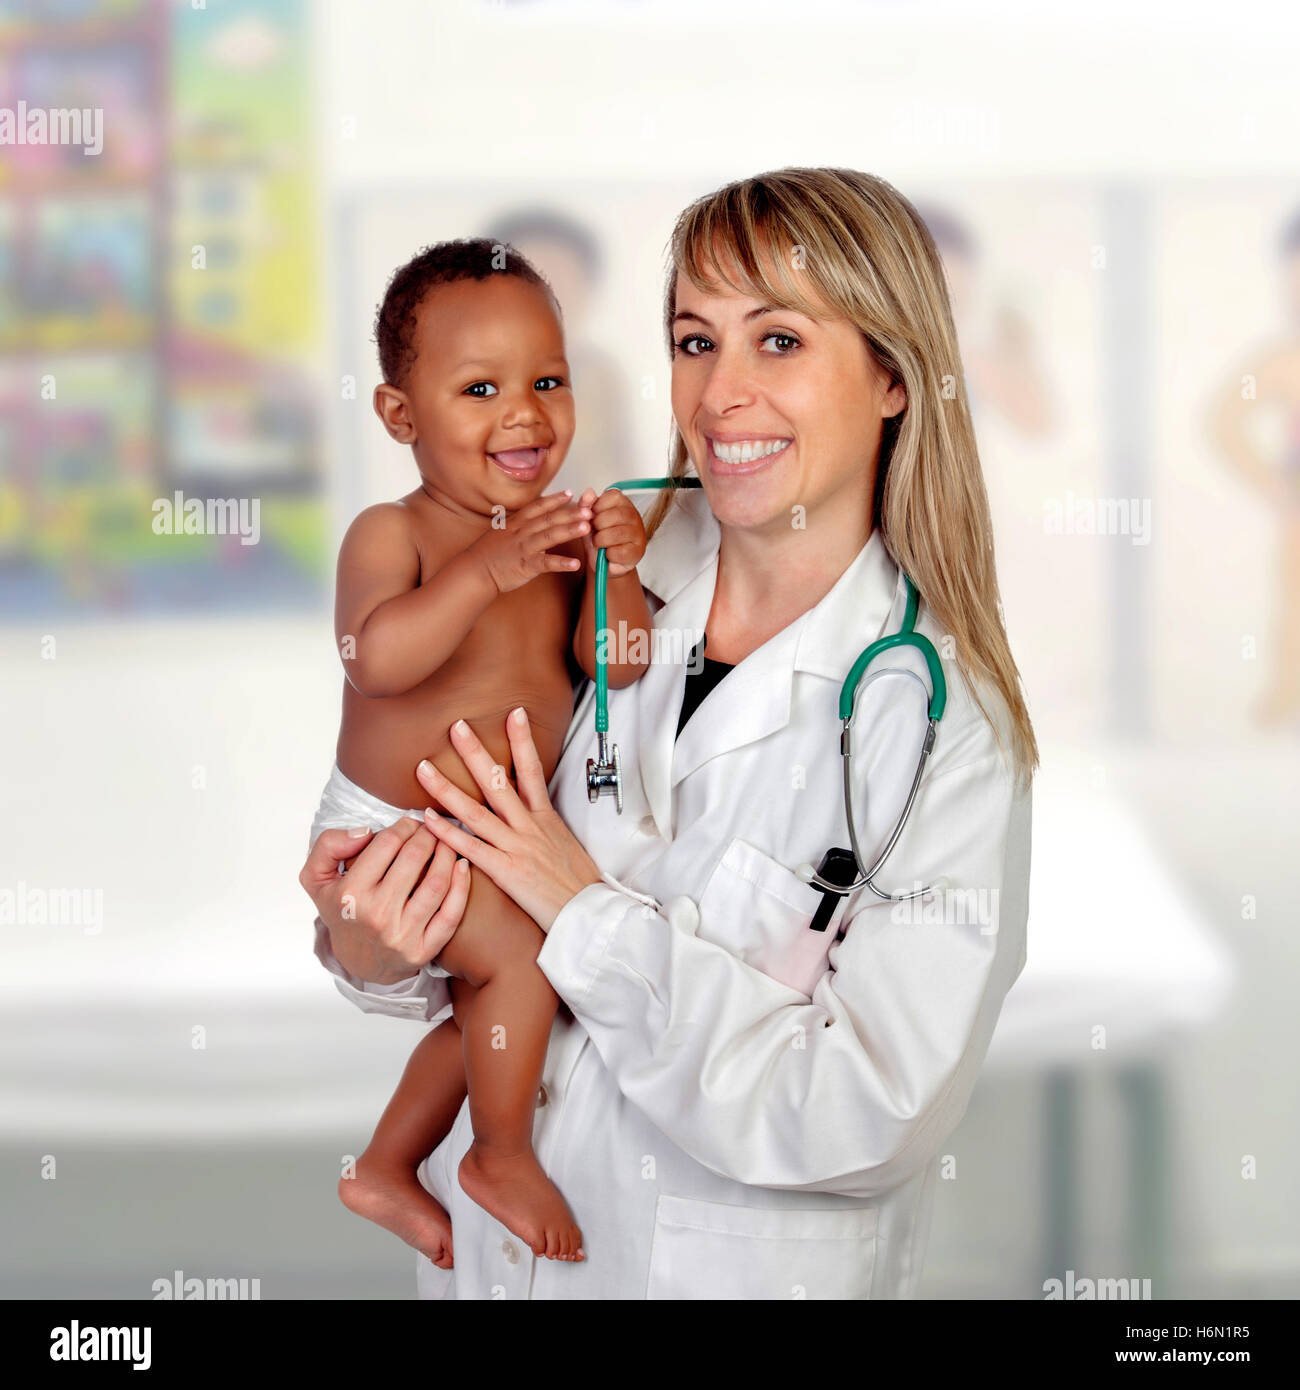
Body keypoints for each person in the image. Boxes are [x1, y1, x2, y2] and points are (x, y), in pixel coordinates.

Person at [301, 167, 1038, 1299]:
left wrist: (583, 911)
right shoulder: (601, 572)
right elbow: (444, 905)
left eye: (778, 342)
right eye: (696, 342)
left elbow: (867, 1112)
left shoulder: (936, 719)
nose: (719, 395)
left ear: (892, 375)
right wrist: (370, 949)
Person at [311, 237, 653, 1267]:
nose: (524, 413)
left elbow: (620, 667)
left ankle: (385, 1166)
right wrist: (481, 573)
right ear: (399, 416)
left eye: (547, 380)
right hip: (391, 828)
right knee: (516, 965)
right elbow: (372, 657)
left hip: (482, 839)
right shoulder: (394, 531)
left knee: (499, 995)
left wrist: (617, 575)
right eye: (479, 388)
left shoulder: (557, 541)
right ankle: (497, 1153)